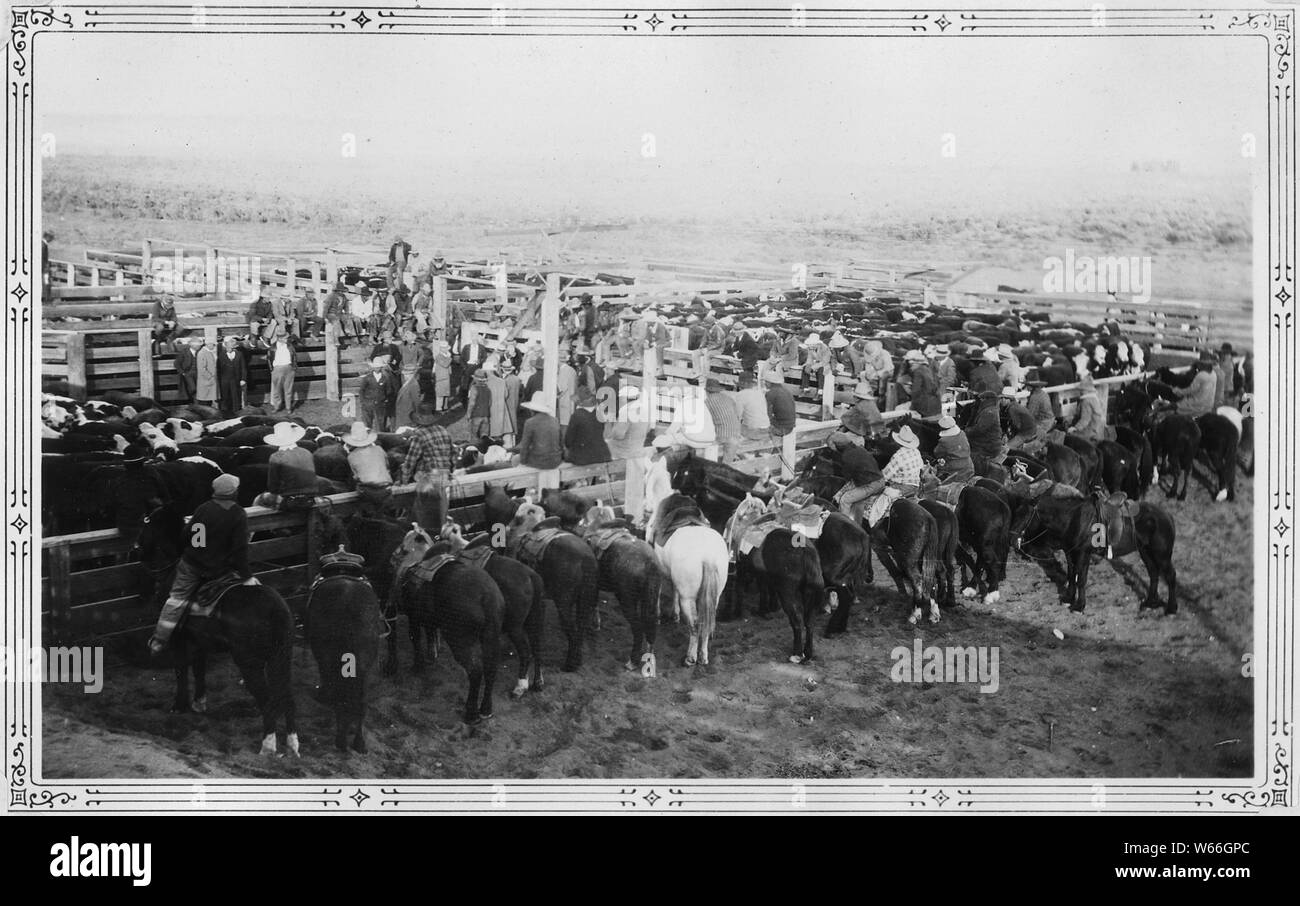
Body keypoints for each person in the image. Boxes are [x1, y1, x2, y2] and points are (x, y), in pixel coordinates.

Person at [148, 473, 254, 655]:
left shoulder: (204, 508)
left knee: (177, 599)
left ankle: (159, 640)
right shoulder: (238, 514)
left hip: (192, 565)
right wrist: (247, 577)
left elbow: (188, 536)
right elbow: (240, 550)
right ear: (234, 492)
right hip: (219, 570)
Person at [606, 385, 652, 522]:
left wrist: (610, 423)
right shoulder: (644, 410)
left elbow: (618, 435)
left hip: (624, 451)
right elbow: (648, 428)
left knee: (605, 442)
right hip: (638, 448)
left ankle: (610, 488)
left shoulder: (627, 411)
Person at [254, 422, 318, 510]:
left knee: (259, 500)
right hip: (311, 497)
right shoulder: (306, 452)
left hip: (289, 500)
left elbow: (273, 486)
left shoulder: (276, 456)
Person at [400, 403, 456, 486]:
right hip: (446, 474)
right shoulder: (443, 430)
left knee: (414, 471)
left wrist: (404, 479)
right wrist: (453, 472)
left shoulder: (419, 434)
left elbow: (411, 460)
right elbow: (453, 454)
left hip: (429, 476)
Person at [512, 392, 564, 469]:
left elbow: (524, 447)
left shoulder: (530, 422)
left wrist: (523, 462)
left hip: (539, 462)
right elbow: (560, 444)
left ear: (532, 409)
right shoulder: (555, 420)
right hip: (555, 461)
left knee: (515, 459)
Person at [642, 435, 676, 541]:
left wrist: (648, 506)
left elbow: (649, 489)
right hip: (671, 493)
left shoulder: (660, 462)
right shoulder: (671, 457)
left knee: (650, 528)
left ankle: (650, 540)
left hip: (661, 498)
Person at [565, 387, 611, 465]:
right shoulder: (600, 413)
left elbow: (568, 441)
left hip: (583, 457)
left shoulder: (576, 415)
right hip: (602, 454)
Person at [966, 390, 1007, 473]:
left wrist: (966, 431)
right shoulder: (991, 409)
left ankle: (976, 472)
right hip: (990, 442)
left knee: (970, 453)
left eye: (982, 399)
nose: (980, 401)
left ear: (987, 399)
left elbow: (979, 429)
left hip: (987, 446)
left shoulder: (989, 412)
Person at [705, 378, 742, 463]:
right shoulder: (728, 398)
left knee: (707, 446)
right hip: (736, 433)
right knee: (727, 462)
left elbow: (705, 421)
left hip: (722, 435)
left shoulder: (707, 401)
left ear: (707, 391)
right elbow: (737, 415)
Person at [357, 357, 397, 431]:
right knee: (367, 424)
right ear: (373, 367)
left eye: (378, 367)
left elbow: (389, 391)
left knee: (380, 424)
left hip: (380, 405)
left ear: (381, 367)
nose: (377, 368)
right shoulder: (367, 378)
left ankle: (380, 437)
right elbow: (361, 391)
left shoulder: (385, 378)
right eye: (375, 367)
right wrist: (363, 402)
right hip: (368, 404)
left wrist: (385, 400)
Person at [933, 415, 974, 482]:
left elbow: (937, 453)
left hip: (954, 470)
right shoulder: (962, 433)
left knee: (936, 472)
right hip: (968, 465)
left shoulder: (943, 441)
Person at [732, 372, 771, 441]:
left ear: (743, 383)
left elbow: (737, 416)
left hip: (753, 431)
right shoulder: (759, 393)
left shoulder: (740, 395)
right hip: (766, 428)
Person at [1070, 372, 1107, 441]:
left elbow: (1085, 419)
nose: (1080, 392)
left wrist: (1075, 428)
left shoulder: (1086, 401)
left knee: (1069, 437)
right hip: (1097, 427)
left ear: (1085, 390)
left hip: (1089, 429)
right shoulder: (1094, 398)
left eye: (1081, 390)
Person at [216, 335, 248, 417]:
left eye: (233, 343)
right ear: (226, 345)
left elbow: (243, 368)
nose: (232, 345)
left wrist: (243, 379)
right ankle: (225, 413)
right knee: (225, 397)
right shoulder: (221, 355)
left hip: (236, 379)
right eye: (230, 343)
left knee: (235, 396)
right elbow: (218, 370)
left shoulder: (239, 354)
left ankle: (237, 412)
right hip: (224, 380)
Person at [267, 333, 298, 414]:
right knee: (277, 389)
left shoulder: (290, 346)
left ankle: (288, 407)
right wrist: (272, 370)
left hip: (289, 368)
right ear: (279, 339)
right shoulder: (273, 347)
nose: (287, 340)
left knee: (288, 389)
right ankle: (277, 407)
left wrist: (294, 368)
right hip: (277, 369)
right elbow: (269, 359)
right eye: (285, 338)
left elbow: (294, 356)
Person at [906, 351, 941, 417]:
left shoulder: (918, 372)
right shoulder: (929, 370)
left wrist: (912, 408)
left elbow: (916, 391)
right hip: (936, 406)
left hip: (925, 408)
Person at [765, 368, 797, 439]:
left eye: (766, 381)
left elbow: (766, 413)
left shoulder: (771, 393)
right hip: (790, 426)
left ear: (769, 382)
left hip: (780, 428)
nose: (764, 383)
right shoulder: (787, 391)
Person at [859, 339, 893, 404]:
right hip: (876, 370)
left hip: (887, 371)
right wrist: (868, 373)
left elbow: (887, 367)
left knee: (882, 376)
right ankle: (867, 392)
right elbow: (868, 365)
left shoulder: (885, 354)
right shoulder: (869, 354)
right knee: (863, 374)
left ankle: (881, 397)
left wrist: (877, 373)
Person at [1024, 373, 1056, 440]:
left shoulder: (1035, 397)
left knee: (1025, 435)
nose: (1026, 387)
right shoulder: (1043, 393)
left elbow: (1030, 415)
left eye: (1027, 385)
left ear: (1031, 386)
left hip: (1043, 424)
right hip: (1050, 420)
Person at [174, 334, 201, 403]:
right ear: (192, 345)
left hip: (199, 373)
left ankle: (196, 404)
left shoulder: (200, 352)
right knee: (193, 388)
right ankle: (193, 402)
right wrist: (182, 372)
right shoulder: (184, 352)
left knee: (198, 389)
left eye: (199, 345)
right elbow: (177, 363)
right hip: (188, 373)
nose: (199, 346)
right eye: (197, 345)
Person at [466, 369, 493, 440]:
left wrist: (469, 414)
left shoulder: (474, 388)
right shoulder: (488, 389)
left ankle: (474, 449)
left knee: (474, 436)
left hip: (476, 415)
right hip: (486, 415)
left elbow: (472, 403)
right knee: (484, 437)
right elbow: (490, 402)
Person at [195, 337, 219, 407]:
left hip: (210, 381)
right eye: (213, 345)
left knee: (208, 401)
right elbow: (202, 369)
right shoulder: (202, 353)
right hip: (206, 381)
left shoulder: (209, 352)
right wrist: (211, 377)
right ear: (208, 344)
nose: (214, 346)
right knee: (204, 402)